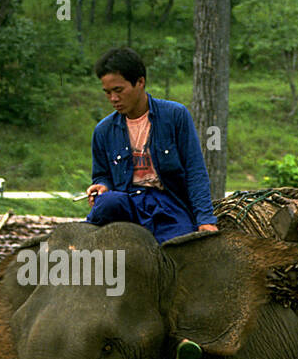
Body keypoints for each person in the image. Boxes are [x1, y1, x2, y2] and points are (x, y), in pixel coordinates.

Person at [85, 47, 218, 242]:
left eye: (118, 90)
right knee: (107, 203)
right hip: (126, 200)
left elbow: (194, 170)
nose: (113, 99)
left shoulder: (175, 116)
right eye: (107, 92)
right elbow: (102, 174)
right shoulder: (103, 130)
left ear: (140, 82)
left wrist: (205, 219)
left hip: (167, 205)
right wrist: (102, 186)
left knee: (177, 251)